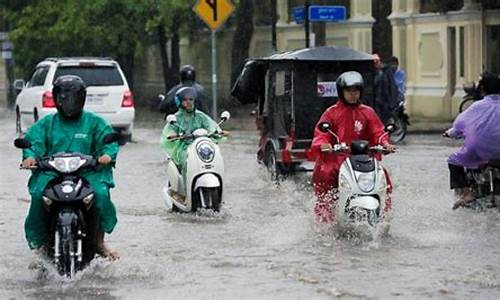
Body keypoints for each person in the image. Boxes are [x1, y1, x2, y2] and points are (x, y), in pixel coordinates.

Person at [21, 75, 120, 260]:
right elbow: (32, 143)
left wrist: (107, 155)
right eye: (63, 98)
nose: (68, 103)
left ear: (82, 98)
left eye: (73, 98)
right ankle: (41, 244)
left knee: (100, 194)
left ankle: (99, 241)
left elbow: (108, 140)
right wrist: (30, 157)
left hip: (87, 172)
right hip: (51, 172)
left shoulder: (94, 122)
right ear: (56, 99)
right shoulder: (47, 123)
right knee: (37, 196)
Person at [311, 71, 396, 223]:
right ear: (341, 92)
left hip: (362, 159)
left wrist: (385, 144)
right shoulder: (331, 113)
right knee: (325, 173)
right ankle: (325, 216)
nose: (352, 94)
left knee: (384, 175)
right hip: (337, 159)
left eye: (355, 90)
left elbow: (378, 132)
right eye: (349, 91)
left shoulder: (368, 112)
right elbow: (321, 133)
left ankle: (385, 213)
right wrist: (324, 144)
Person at [444, 72, 500, 209]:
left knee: (453, 160)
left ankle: (467, 193)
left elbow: (458, 127)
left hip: (477, 152)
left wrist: (449, 133)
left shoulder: (476, 107)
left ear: (482, 89)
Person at [160, 87, 224, 176]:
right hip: (184, 148)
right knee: (186, 161)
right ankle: (186, 187)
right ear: (179, 102)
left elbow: (211, 127)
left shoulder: (201, 116)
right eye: (185, 100)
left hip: (201, 146)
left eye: (191, 99)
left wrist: (217, 132)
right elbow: (171, 130)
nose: (189, 102)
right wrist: (173, 134)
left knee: (215, 156)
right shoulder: (177, 118)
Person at [373, 54, 399, 124]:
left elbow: (391, 87)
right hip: (379, 101)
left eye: (377, 62)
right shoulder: (377, 72)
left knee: (383, 120)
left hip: (384, 101)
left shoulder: (385, 71)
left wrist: (392, 102)